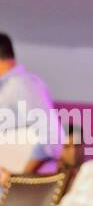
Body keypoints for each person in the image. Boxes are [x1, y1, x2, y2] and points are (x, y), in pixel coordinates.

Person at [0, 32, 59, 174]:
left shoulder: (21, 85)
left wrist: (19, 177)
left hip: (22, 189)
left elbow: (51, 137)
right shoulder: (9, 87)